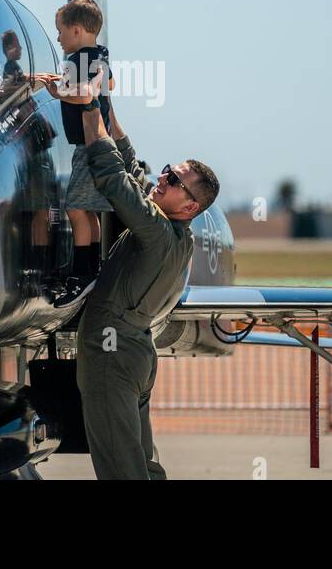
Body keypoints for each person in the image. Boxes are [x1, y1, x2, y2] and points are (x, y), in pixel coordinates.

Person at [56, 69, 220, 480]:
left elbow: (114, 179)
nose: (163, 177)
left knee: (121, 470)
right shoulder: (176, 235)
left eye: (176, 181)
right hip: (135, 353)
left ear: (191, 207)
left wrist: (89, 105)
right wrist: (106, 107)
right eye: (168, 170)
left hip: (112, 359)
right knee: (141, 463)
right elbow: (131, 167)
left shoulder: (156, 229)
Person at [43, 0, 114, 300]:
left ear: (75, 31)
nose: (57, 38)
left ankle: (81, 275)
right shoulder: (99, 55)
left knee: (74, 208)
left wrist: (57, 91)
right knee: (88, 210)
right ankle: (95, 270)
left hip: (86, 145)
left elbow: (86, 95)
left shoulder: (76, 60)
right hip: (100, 144)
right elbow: (109, 85)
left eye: (60, 31)